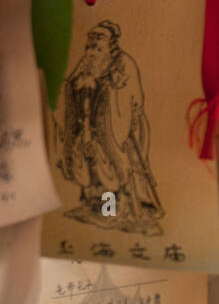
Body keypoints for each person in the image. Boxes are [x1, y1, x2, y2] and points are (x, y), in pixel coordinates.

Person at [56, 20, 164, 234]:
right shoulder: (87, 62)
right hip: (88, 126)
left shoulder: (124, 63)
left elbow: (132, 100)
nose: (92, 51)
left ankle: (118, 212)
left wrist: (112, 90)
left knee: (115, 173)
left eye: (98, 47)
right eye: (89, 47)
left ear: (110, 47)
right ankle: (94, 208)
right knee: (92, 172)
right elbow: (71, 84)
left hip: (116, 130)